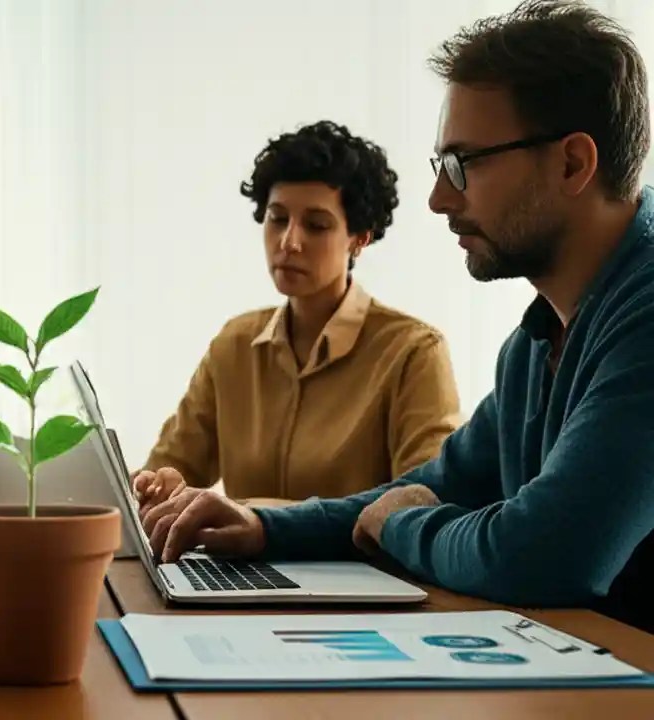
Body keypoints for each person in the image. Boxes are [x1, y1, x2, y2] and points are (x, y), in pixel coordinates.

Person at [138, 0, 654, 632]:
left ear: (572, 163)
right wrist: (265, 526)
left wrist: (400, 523)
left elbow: (543, 553)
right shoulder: (536, 340)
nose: (438, 198)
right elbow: (445, 482)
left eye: (463, 164)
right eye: (441, 167)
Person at [138, 121, 461, 508]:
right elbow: (165, 471)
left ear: (359, 238)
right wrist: (158, 488)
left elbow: (422, 505)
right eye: (277, 219)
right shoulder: (234, 345)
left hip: (355, 553)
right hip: (235, 551)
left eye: (316, 225)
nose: (289, 242)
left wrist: (254, 516)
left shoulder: (412, 352)